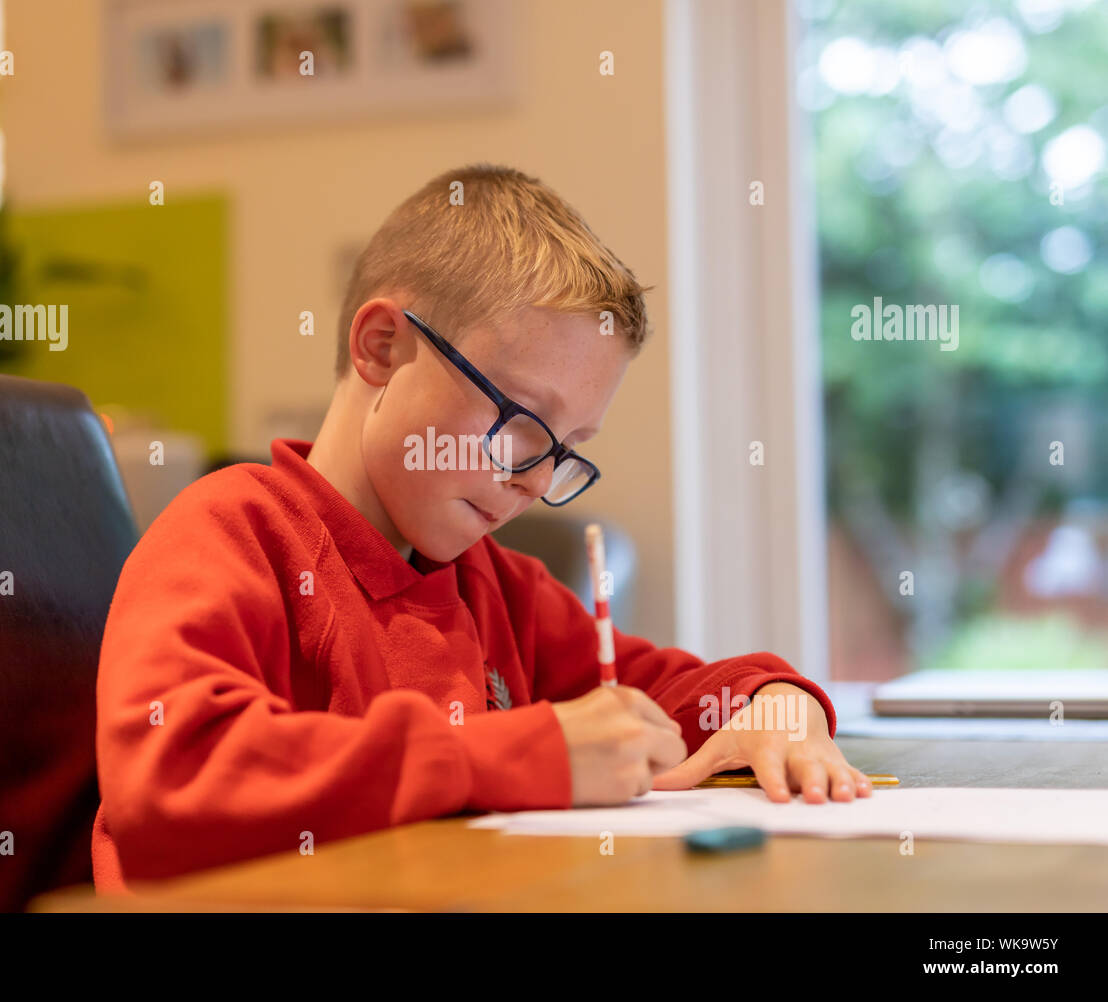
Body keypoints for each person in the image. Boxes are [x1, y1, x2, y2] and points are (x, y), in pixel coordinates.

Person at [91, 164, 870, 893]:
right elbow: (173, 780)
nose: (533, 479)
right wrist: (520, 756)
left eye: (564, 452)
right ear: (382, 347)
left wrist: (771, 703)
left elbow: (667, 691)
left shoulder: (497, 586)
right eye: (520, 423)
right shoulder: (235, 533)